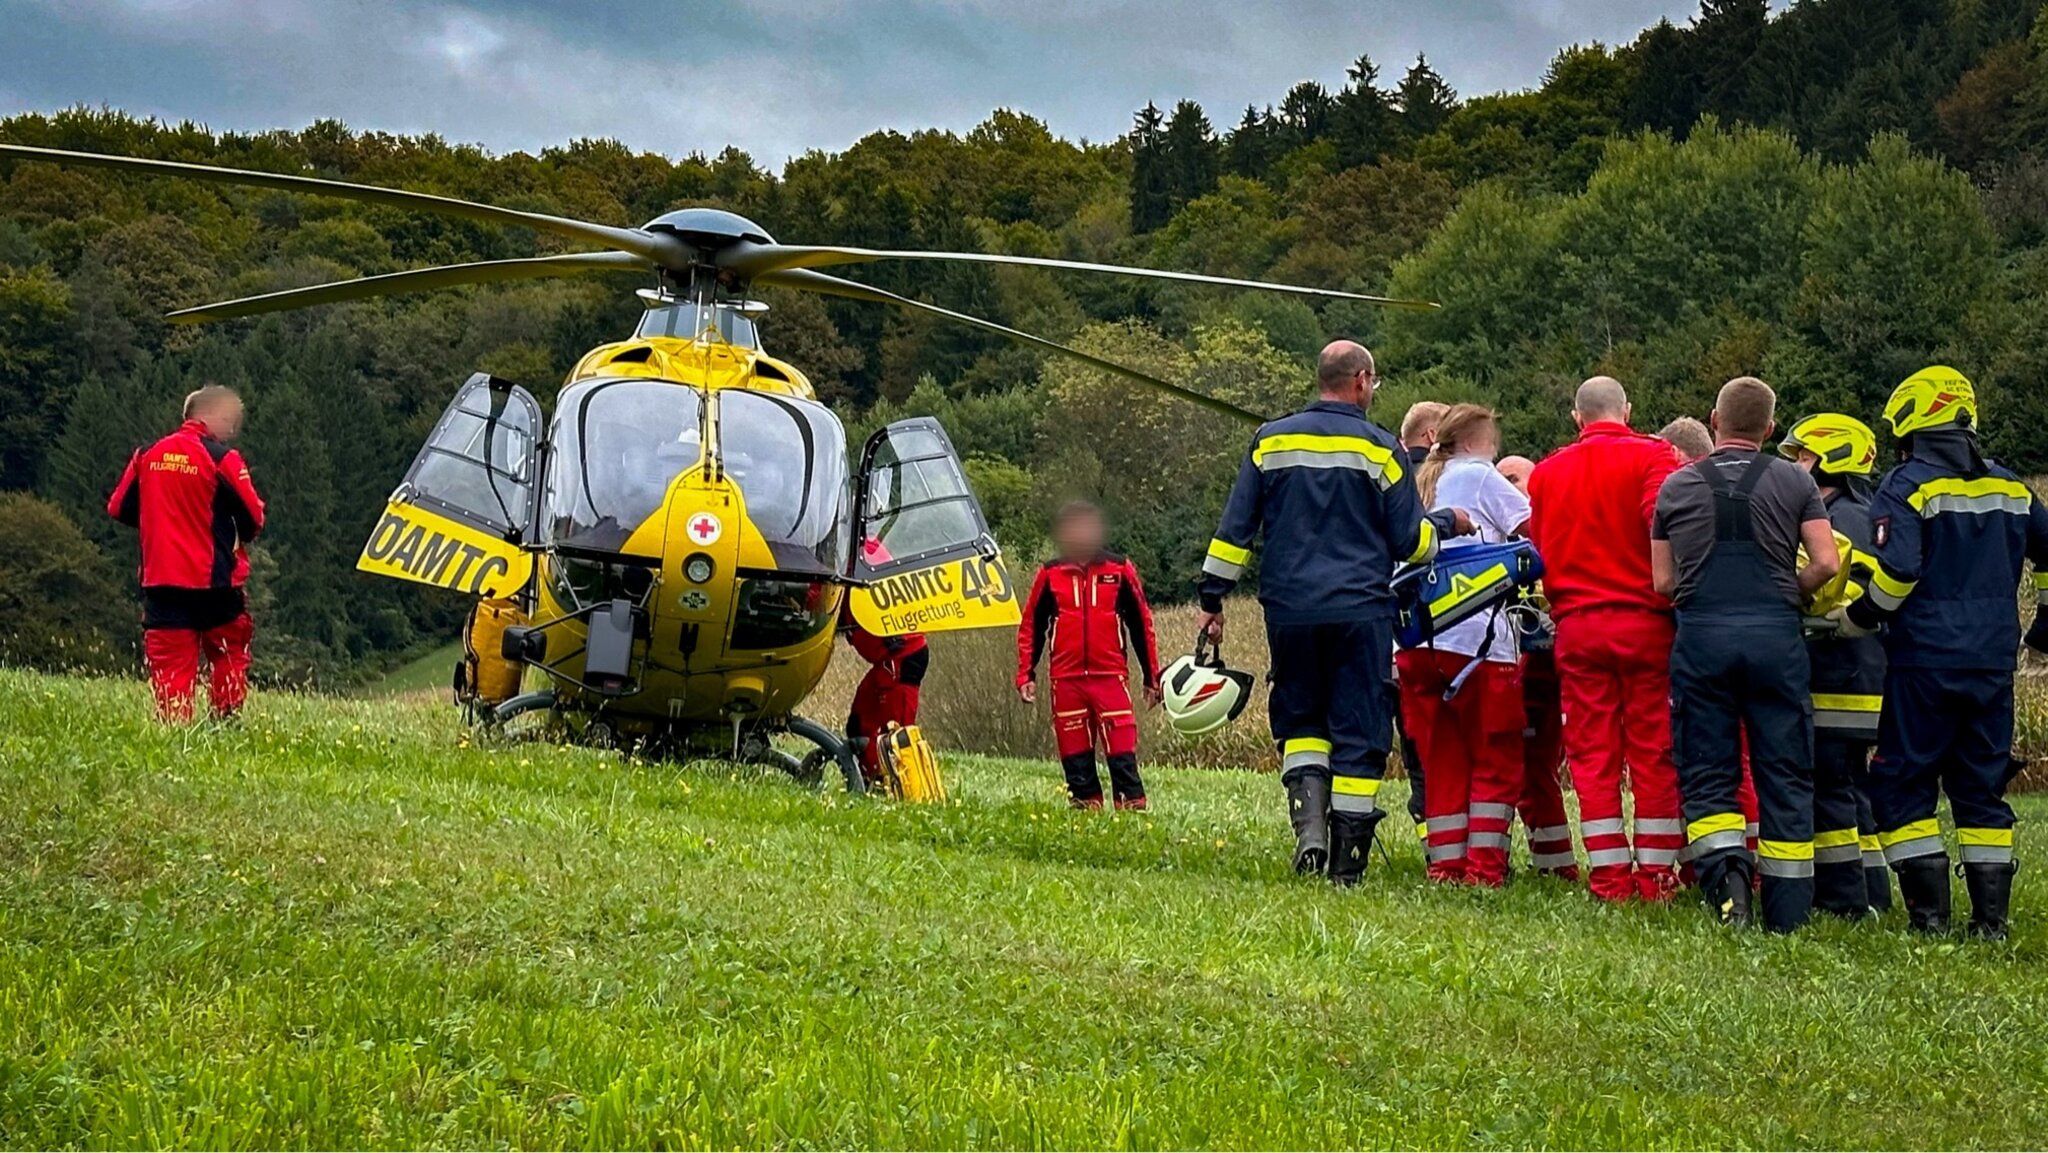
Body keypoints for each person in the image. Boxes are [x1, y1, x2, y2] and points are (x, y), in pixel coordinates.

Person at [1197, 341, 1471, 884]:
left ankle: (1310, 834)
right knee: (1358, 726)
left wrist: (1211, 599)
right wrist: (1445, 525)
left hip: (1290, 608)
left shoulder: (1269, 440)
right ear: (1362, 381)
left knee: (1300, 719)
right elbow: (1408, 542)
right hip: (1360, 609)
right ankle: (1347, 865)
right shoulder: (1380, 448)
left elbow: (1235, 531)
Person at [1839, 367, 2048, 938]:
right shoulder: (2010, 487)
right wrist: (2045, 623)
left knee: (1903, 782)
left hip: (1923, 663)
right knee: (1980, 787)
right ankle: (1991, 924)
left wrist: (1858, 617)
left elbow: (1900, 572)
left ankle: (1928, 920)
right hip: (1992, 663)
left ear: (1912, 421)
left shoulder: (1907, 484)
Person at [1652, 378, 1839, 930]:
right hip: (1775, 638)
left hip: (1702, 637)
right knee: (1784, 771)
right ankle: (1788, 912)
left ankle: (1729, 893)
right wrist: (1790, 589)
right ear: (1771, 428)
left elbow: (1663, 582)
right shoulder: (1794, 480)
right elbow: (1827, 562)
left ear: (1714, 420)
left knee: (1709, 772)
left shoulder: (1676, 486)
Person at [1526, 377, 1686, 902]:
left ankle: (1609, 879)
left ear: (1577, 418)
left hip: (1577, 626)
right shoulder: (1655, 457)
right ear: (1628, 410)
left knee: (1592, 756)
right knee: (1653, 751)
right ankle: (1657, 878)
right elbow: (1666, 527)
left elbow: (1540, 546)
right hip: (1647, 624)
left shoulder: (1546, 474)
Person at [1399, 405, 1536, 885]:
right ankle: (1484, 869)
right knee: (1495, 755)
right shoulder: (1480, 476)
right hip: (1477, 641)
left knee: (1442, 758)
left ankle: (1446, 865)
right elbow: (1533, 533)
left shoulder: (1419, 482)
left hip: (1418, 644)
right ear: (1482, 440)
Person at [1778, 413, 1893, 915]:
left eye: (1803, 456)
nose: (1797, 466)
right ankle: (1874, 895)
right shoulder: (1866, 513)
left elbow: (1829, 592)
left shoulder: (1837, 520)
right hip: (1866, 673)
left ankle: (1843, 900)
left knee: (1828, 789)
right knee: (1854, 789)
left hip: (1837, 675)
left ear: (1832, 458)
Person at [107, 385, 265, 723]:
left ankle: (176, 733)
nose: (232, 430)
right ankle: (224, 725)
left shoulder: (146, 455)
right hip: (216, 585)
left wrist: (161, 521)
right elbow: (254, 518)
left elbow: (119, 507)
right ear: (212, 417)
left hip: (162, 584)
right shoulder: (222, 459)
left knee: (171, 671)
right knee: (228, 656)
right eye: (229, 421)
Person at [1016, 501, 1162, 810]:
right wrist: (1026, 674)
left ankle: (1132, 810)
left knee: (1122, 752)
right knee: (1075, 755)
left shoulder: (1120, 569)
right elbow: (1031, 625)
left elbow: (1141, 624)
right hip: (1066, 681)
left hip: (1110, 678)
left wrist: (1152, 678)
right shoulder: (1049, 574)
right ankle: (1085, 812)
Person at [1495, 455, 1578, 880]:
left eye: (1512, 479)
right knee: (1532, 765)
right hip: (1534, 663)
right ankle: (1555, 863)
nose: (1505, 488)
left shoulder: (1552, 522)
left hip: (1559, 659)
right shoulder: (1504, 534)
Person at [1395, 400, 1450, 847]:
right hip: (1438, 631)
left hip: (1386, 638)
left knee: (1413, 747)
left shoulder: (1383, 479)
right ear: (1433, 437)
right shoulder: (1441, 479)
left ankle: (1430, 832)